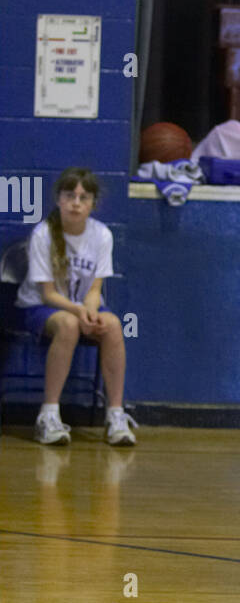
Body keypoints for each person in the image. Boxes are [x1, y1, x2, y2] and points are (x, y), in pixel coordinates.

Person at [15, 167, 136, 446]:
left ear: (94, 203)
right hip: (39, 308)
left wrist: (91, 311)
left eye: (84, 197)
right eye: (70, 195)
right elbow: (47, 295)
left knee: (114, 325)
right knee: (68, 326)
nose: (76, 203)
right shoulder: (43, 234)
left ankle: (116, 416)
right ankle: (48, 416)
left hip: (81, 306)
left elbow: (95, 290)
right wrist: (79, 312)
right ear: (59, 199)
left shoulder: (102, 235)